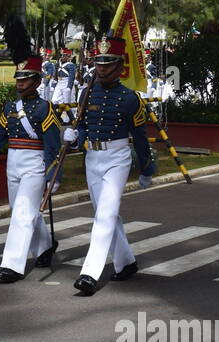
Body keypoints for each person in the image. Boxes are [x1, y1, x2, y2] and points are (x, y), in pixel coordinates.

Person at [63, 31, 157, 295]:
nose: (102, 69)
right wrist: (71, 137)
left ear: (119, 67)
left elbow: (140, 138)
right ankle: (126, 262)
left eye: (108, 64)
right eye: (99, 63)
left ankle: (90, 273)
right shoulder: (86, 94)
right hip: (92, 157)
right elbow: (82, 128)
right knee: (106, 215)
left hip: (117, 158)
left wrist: (147, 169)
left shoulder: (130, 99)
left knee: (104, 215)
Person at [0, 38, 62, 282]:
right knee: (22, 210)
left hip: (34, 164)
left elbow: (52, 145)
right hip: (14, 164)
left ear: (37, 81)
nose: (20, 83)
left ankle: (12, 264)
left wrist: (53, 175)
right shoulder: (10, 108)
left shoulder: (45, 109)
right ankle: (46, 246)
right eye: (18, 78)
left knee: (21, 213)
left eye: (26, 78)